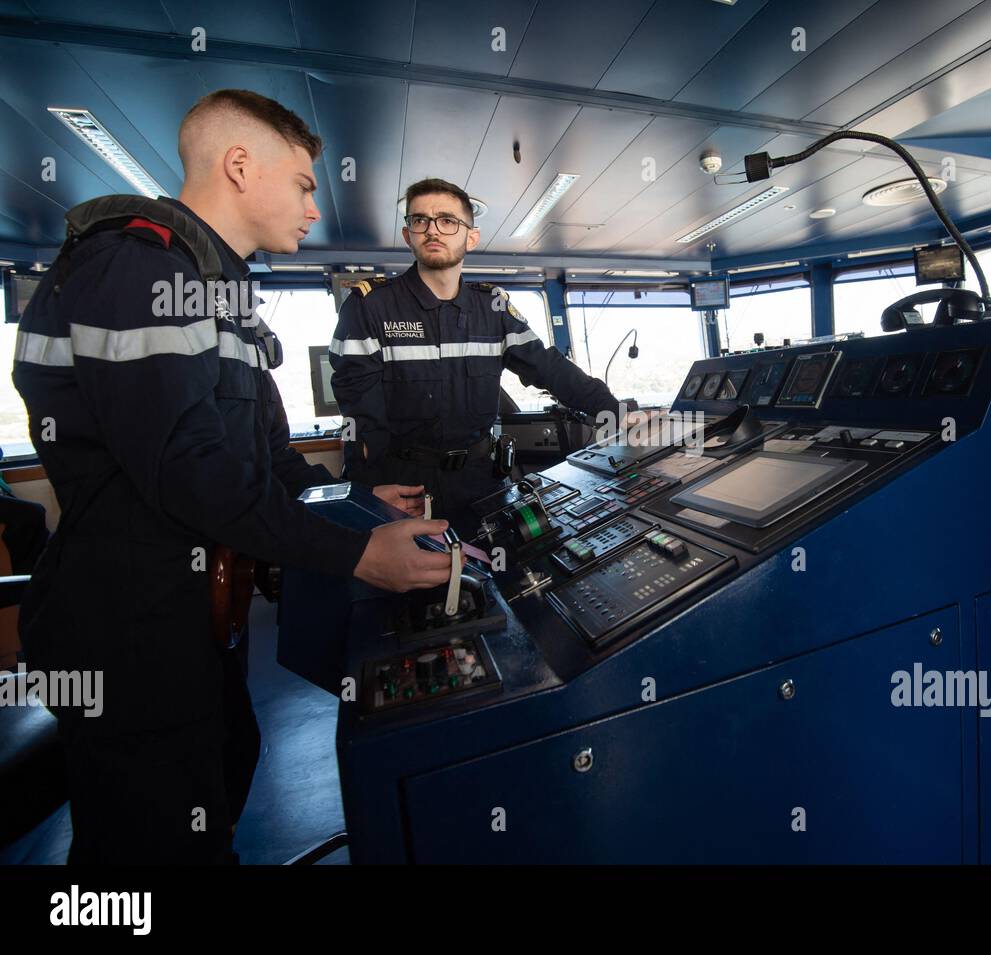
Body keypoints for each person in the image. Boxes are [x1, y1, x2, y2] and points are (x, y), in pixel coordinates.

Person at [12, 89, 451, 864]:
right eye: (306, 184)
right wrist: (355, 553)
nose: (315, 208)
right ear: (240, 165)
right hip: (124, 625)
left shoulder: (216, 294)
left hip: (193, 616)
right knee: (145, 846)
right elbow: (190, 472)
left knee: (221, 777)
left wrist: (359, 504)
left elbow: (263, 454)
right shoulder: (137, 266)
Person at [329, 177, 624, 529]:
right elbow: (360, 417)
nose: (432, 230)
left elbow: (549, 367)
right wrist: (370, 491)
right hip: (406, 488)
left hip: (482, 481)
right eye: (420, 220)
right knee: (425, 582)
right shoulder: (370, 306)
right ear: (408, 235)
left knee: (499, 575)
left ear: (471, 236)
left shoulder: (493, 308)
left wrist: (616, 413)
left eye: (448, 221)